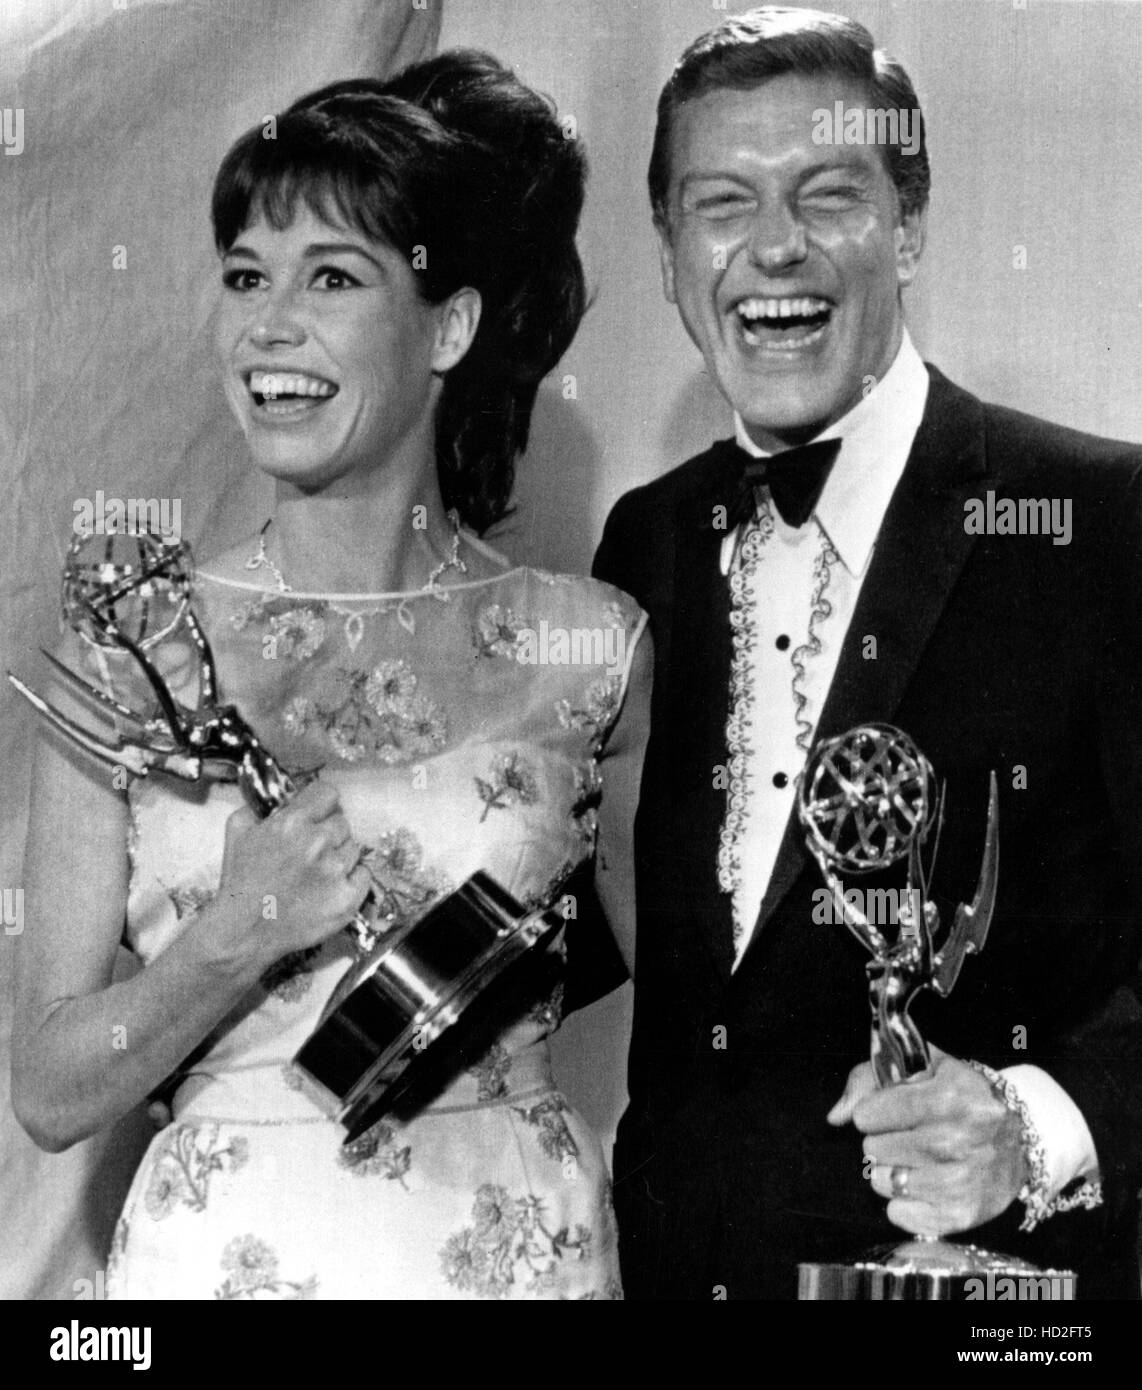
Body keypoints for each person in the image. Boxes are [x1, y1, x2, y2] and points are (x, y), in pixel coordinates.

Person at [11, 50, 648, 1301]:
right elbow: (47, 1091)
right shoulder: (136, 641)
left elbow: (702, 1022)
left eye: (333, 277)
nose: (267, 324)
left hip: (513, 1252)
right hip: (228, 1264)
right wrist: (233, 933)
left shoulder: (593, 648)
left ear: (448, 326)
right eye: (246, 276)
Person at [590, 6, 1142, 1299]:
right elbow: (601, 916)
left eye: (825, 195)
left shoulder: (1105, 526)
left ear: (907, 228)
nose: (770, 246)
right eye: (719, 202)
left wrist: (1039, 1126)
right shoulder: (646, 542)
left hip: (1002, 1300)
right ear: (671, 251)